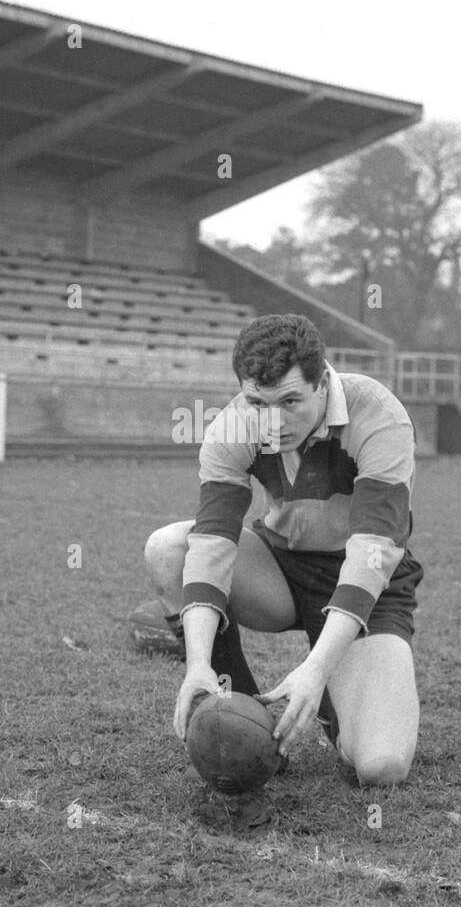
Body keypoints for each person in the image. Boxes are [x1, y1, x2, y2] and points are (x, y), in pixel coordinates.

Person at [139, 313, 424, 786]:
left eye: (290, 401)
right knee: (169, 547)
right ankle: (243, 720)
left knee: (381, 768)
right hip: (282, 572)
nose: (272, 421)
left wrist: (314, 672)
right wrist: (197, 665)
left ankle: (334, 694)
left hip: (365, 584)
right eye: (258, 402)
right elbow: (212, 544)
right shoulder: (232, 425)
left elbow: (374, 552)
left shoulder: (379, 415)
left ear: (322, 382)